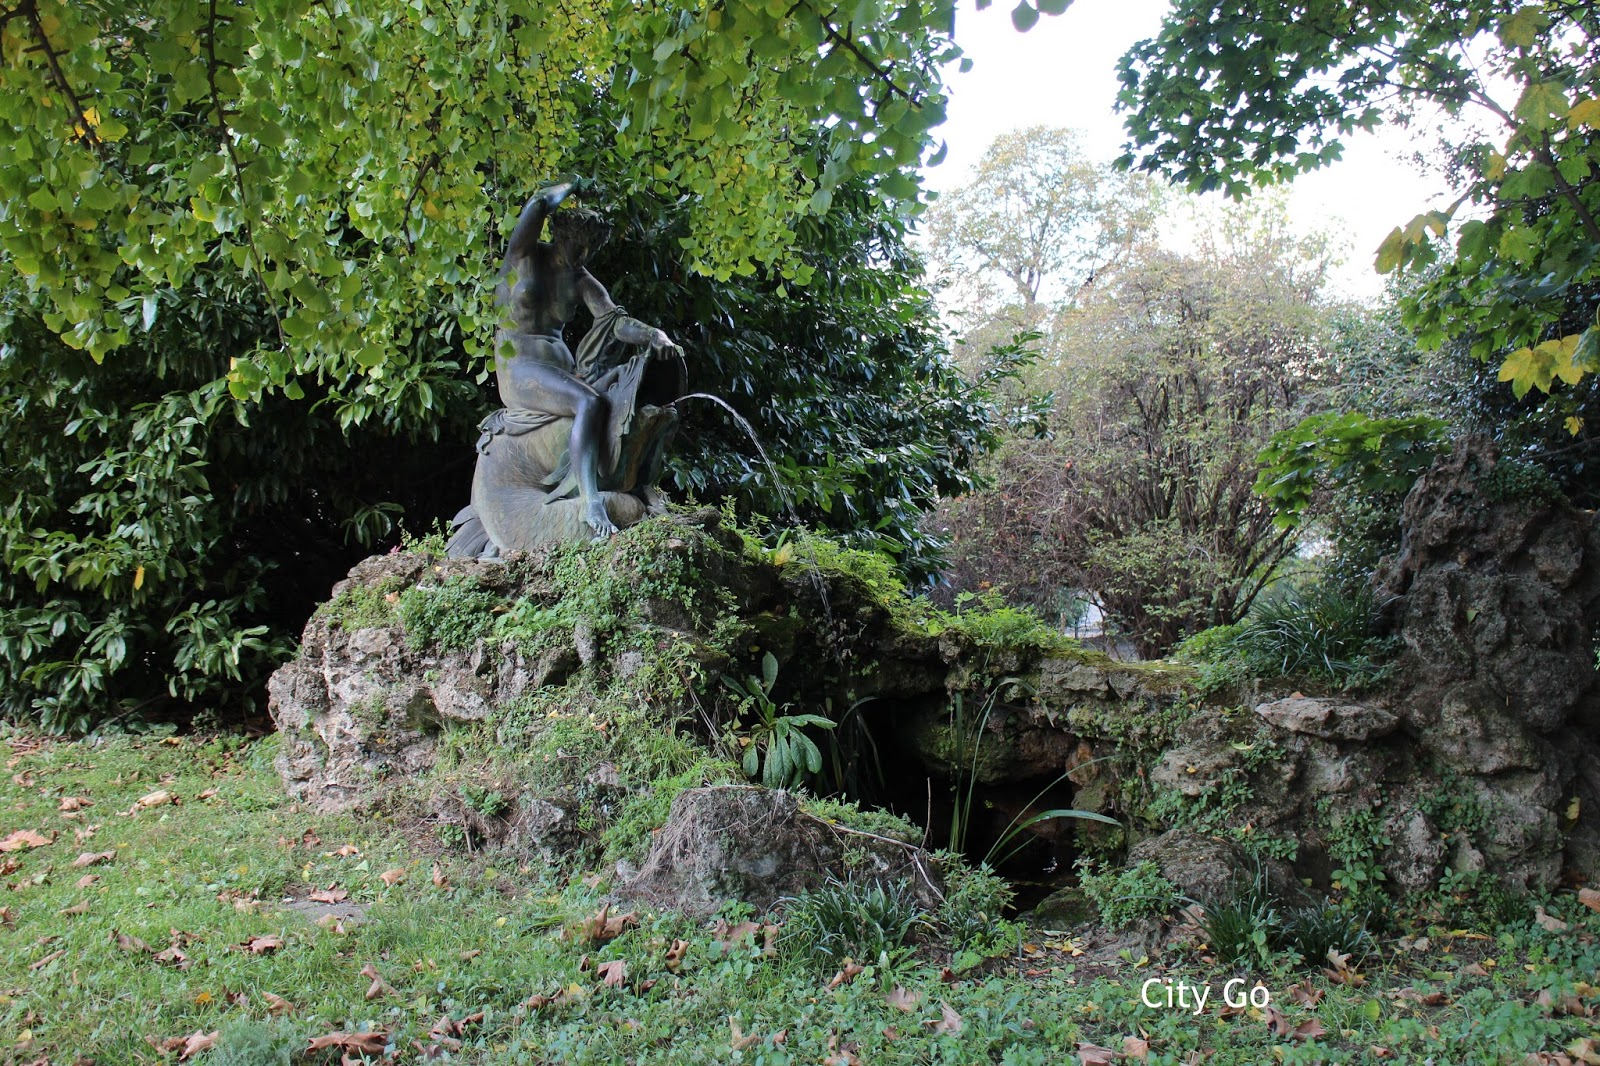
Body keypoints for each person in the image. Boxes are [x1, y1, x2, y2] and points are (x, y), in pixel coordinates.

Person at [493, 181, 680, 538]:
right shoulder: (523, 256)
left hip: (563, 369)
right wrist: (574, 185)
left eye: (589, 249)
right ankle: (590, 502)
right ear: (559, 234)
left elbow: (615, 321)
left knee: (623, 390)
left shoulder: (580, 279)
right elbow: (538, 201)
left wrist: (655, 335)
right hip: (520, 368)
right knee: (589, 401)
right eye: (576, 244)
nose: (581, 254)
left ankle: (639, 486)